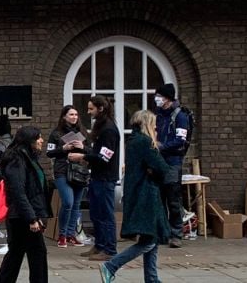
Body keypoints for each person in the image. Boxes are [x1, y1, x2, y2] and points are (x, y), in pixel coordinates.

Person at [99, 109, 172, 283]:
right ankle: (112, 265)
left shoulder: (133, 141)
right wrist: (153, 170)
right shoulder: (145, 142)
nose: (156, 128)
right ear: (147, 124)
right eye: (154, 125)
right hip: (147, 195)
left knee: (151, 237)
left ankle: (152, 278)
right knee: (149, 241)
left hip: (139, 193)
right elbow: (163, 168)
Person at [0, 126, 49, 283]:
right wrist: (32, 218)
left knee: (16, 255)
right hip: (22, 217)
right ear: (29, 140)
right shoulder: (16, 160)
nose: (41, 140)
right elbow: (18, 192)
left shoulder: (28, 157)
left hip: (24, 215)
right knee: (36, 254)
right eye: (38, 137)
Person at [69, 95, 119, 262]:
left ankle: (109, 248)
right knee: (96, 213)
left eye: (91, 109)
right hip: (98, 176)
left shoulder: (109, 130)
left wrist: (82, 156)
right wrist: (85, 149)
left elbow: (104, 157)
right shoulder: (102, 127)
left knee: (106, 214)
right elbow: (98, 153)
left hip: (106, 178)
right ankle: (99, 245)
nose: (88, 112)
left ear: (101, 109)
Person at [153, 83, 191, 248]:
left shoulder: (180, 116)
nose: (157, 99)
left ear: (167, 98)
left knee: (173, 199)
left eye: (159, 96)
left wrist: (161, 146)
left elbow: (180, 141)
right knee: (159, 198)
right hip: (159, 162)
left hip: (172, 162)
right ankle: (162, 233)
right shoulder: (159, 115)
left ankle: (176, 234)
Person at [46, 105, 88, 248]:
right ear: (64, 116)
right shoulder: (56, 133)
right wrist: (63, 149)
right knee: (68, 202)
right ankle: (62, 235)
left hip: (79, 171)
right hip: (62, 170)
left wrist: (82, 147)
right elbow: (49, 153)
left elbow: (91, 151)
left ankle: (71, 235)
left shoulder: (82, 132)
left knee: (76, 204)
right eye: (71, 114)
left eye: (76, 114)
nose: (74, 117)